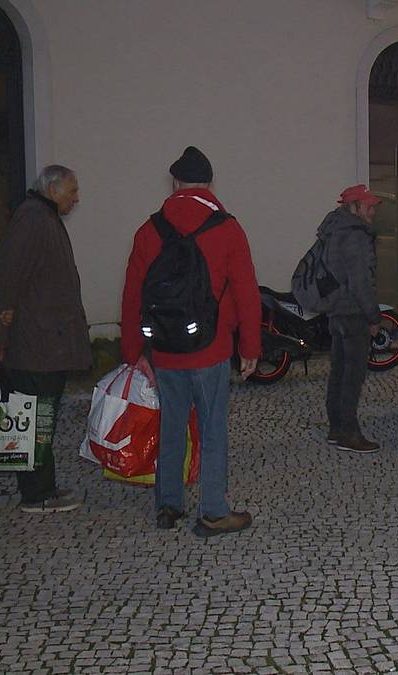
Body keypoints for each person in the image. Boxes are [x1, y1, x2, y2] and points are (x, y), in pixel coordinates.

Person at [120, 146, 261, 535]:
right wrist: (250, 348)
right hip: (211, 348)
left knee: (172, 424)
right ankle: (214, 511)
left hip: (165, 350)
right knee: (213, 427)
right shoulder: (228, 228)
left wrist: (134, 351)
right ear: (209, 184)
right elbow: (247, 291)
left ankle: (168, 505)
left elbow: (133, 295)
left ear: (175, 183)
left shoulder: (149, 230)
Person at [0, 165, 91, 514]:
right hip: (37, 346)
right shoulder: (32, 219)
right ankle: (37, 494)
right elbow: (5, 279)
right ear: (52, 189)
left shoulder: (41, 216)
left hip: (44, 342)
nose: (77, 198)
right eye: (72, 191)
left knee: (40, 418)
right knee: (37, 420)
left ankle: (41, 487)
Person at [318, 185, 383, 454]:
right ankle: (349, 432)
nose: (372, 212)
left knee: (339, 371)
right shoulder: (355, 235)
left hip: (336, 310)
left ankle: (336, 428)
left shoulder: (333, 230)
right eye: (369, 207)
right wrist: (373, 316)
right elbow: (360, 282)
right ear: (354, 207)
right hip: (353, 312)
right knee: (353, 375)